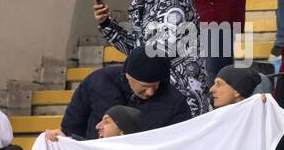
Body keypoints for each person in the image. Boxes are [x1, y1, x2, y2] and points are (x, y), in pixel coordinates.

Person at [95, 0, 209, 117]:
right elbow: (138, 50)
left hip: (178, 95)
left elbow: (157, 53)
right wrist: (107, 24)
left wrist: (134, 73)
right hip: (160, 91)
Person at [52, 47, 191, 140]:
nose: (150, 92)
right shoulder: (98, 81)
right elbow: (72, 126)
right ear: (127, 76)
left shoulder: (175, 103)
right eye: (144, 86)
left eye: (155, 86)